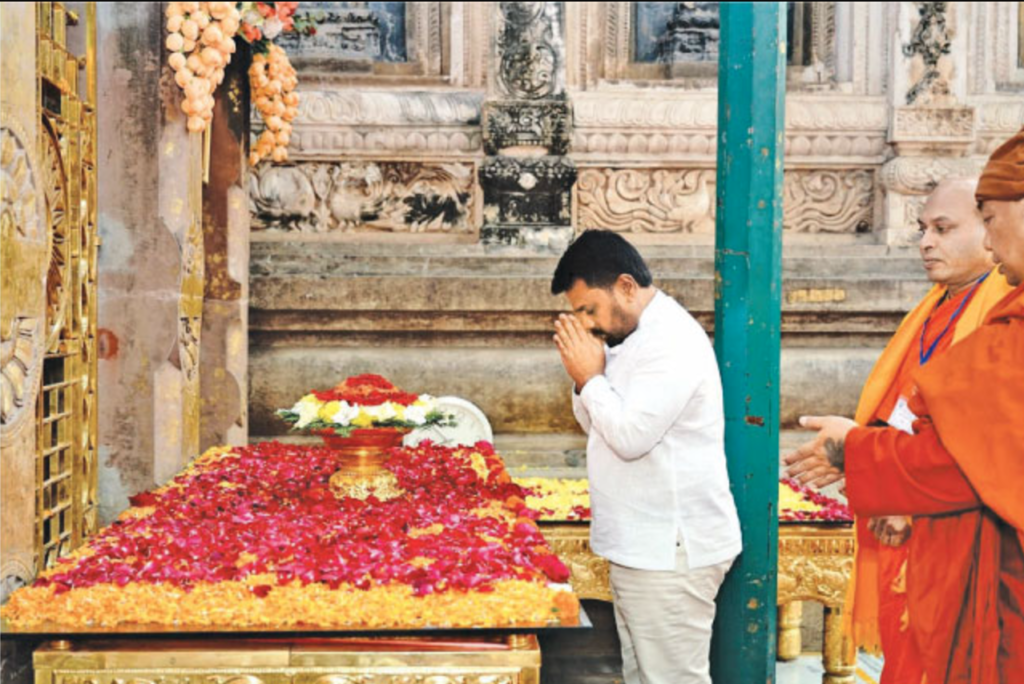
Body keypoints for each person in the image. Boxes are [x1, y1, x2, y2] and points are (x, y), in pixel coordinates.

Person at [785, 127, 1024, 684]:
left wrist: (856, 450)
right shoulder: (957, 309)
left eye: (987, 220)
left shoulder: (1007, 329)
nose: (990, 242)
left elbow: (964, 459)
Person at [838, 179, 1013, 684]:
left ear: (989, 229)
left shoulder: (998, 315)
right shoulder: (937, 306)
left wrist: (907, 498)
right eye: (922, 229)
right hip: (905, 515)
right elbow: (900, 405)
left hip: (954, 525)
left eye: (943, 228)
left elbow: (982, 439)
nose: (925, 242)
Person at [550, 229, 742, 684]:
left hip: (669, 549)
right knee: (643, 676)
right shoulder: (632, 335)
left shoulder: (670, 341)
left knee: (672, 679)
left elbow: (631, 436)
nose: (589, 325)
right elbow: (599, 423)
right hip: (644, 545)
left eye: (590, 310)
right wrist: (585, 380)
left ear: (626, 286)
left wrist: (589, 377)